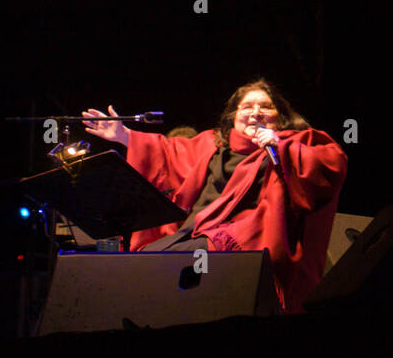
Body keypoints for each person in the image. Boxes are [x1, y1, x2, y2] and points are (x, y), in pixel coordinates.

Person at [82, 79, 347, 314]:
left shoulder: (297, 141)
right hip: (195, 232)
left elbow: (330, 165)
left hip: (247, 238)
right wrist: (124, 136)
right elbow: (168, 152)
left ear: (280, 116)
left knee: (170, 263)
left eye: (265, 107)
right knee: (138, 263)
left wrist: (281, 146)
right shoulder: (214, 144)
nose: (255, 112)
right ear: (234, 116)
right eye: (246, 107)